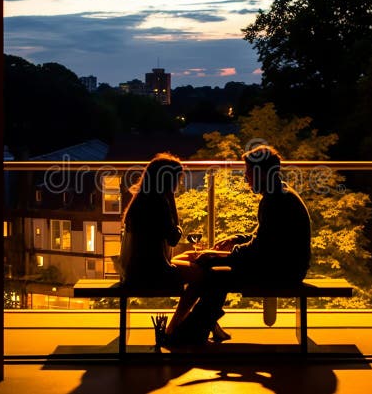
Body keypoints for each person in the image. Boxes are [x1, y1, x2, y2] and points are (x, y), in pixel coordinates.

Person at [166, 145, 312, 345]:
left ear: (261, 173)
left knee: (215, 275)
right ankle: (191, 330)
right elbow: (264, 238)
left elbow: (259, 249)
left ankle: (188, 334)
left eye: (249, 172)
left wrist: (220, 256)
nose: (246, 178)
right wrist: (236, 239)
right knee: (213, 268)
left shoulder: (275, 201)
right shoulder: (279, 194)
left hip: (283, 271)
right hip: (285, 266)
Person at [118, 153, 198, 288]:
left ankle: (189, 303)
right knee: (200, 272)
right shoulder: (158, 203)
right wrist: (171, 199)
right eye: (178, 178)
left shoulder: (140, 199)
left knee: (192, 257)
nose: (179, 183)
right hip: (151, 274)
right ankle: (193, 303)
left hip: (132, 271)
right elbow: (173, 239)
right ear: (168, 180)